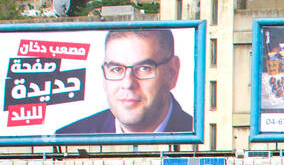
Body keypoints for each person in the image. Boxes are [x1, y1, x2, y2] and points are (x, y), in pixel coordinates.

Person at [56, 29, 192, 135]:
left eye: (144, 69)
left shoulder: (205, 138)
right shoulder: (67, 138)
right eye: (116, 69)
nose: (128, 84)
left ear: (172, 72)